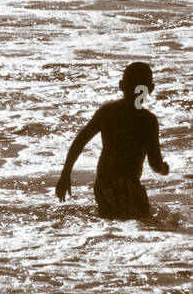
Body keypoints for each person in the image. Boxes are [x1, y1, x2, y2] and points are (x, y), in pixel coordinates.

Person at [55, 62, 168, 220]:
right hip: (130, 186)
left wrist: (65, 175)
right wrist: (163, 169)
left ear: (121, 85)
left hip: (104, 184)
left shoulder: (108, 112)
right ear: (151, 89)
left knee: (110, 225)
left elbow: (79, 141)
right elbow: (155, 163)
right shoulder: (147, 120)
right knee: (142, 226)